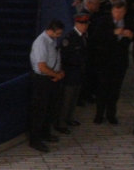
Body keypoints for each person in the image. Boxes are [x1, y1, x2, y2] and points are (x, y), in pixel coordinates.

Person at [94, 0, 134, 125]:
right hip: (105, 61)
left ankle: (111, 114)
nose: (118, 14)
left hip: (120, 62)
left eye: (121, 11)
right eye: (116, 11)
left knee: (115, 90)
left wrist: (131, 35)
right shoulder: (103, 21)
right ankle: (99, 114)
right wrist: (113, 33)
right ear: (112, 11)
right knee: (102, 89)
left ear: (125, 11)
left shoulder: (129, 22)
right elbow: (96, 37)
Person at [28, 20, 65, 152]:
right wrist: (56, 74)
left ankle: (45, 133)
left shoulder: (52, 40)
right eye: (58, 33)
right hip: (42, 81)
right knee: (39, 111)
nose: (59, 36)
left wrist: (58, 73)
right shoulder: (41, 43)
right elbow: (41, 66)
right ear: (50, 31)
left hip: (51, 79)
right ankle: (35, 140)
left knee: (50, 108)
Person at [56, 12, 90, 133]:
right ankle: (61, 123)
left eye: (86, 23)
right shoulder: (70, 38)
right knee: (67, 99)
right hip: (70, 73)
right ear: (76, 23)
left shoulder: (84, 36)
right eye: (82, 23)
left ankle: (69, 118)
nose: (84, 26)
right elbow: (64, 57)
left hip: (79, 72)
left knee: (74, 98)